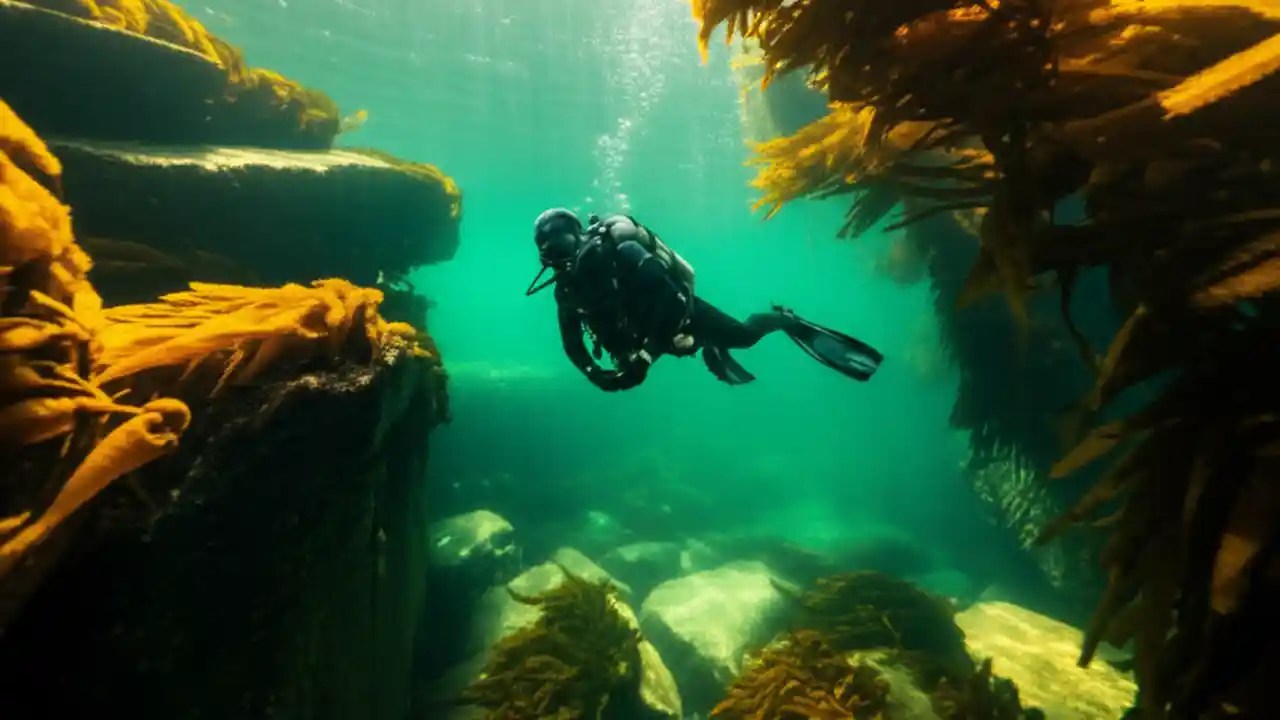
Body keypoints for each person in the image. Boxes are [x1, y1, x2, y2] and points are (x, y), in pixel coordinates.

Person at [525, 208, 884, 391]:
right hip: (638, 332)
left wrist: (648, 357)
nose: (559, 256)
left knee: (743, 337)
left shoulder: (623, 250)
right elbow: (572, 343)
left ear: (579, 236)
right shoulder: (567, 290)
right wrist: (596, 375)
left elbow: (673, 300)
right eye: (549, 251)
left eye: (562, 243)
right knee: (661, 349)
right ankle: (700, 345)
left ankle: (786, 319)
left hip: (678, 311)